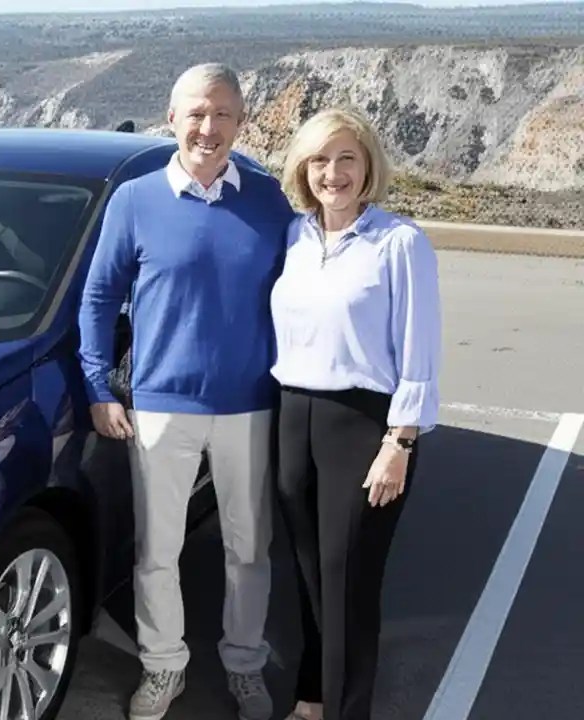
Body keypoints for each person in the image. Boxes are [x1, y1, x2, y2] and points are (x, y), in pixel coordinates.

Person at [77, 63, 295, 720]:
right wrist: (97, 383)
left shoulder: (267, 200)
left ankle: (244, 665)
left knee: (248, 548)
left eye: (223, 113)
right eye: (196, 113)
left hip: (250, 404)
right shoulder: (135, 200)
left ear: (241, 122)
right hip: (160, 407)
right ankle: (163, 667)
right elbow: (98, 296)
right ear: (171, 120)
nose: (208, 127)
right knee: (156, 552)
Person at [269, 107, 442, 720]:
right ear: (302, 168)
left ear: (368, 166)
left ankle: (348, 711)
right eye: (319, 159)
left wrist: (401, 441)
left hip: (364, 426)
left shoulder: (399, 242)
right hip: (292, 416)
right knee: (312, 577)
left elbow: (420, 352)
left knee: (349, 583)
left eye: (346, 158)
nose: (332, 173)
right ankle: (313, 698)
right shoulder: (292, 236)